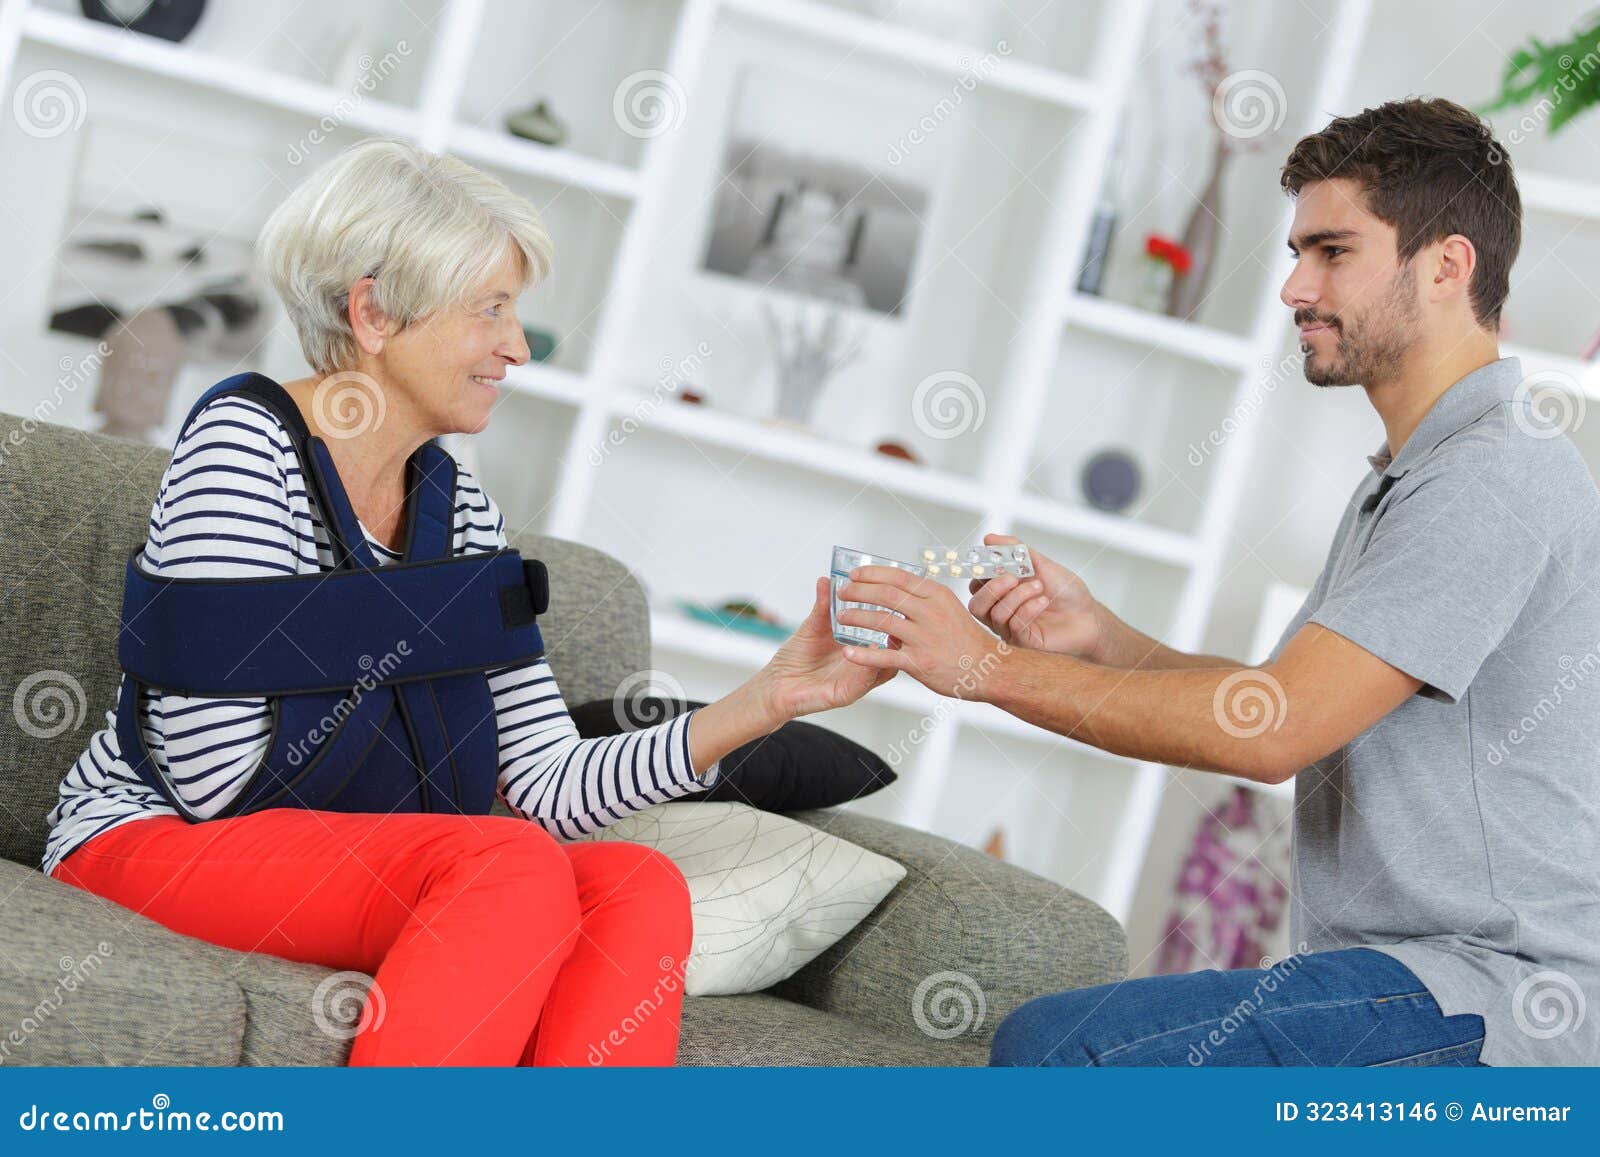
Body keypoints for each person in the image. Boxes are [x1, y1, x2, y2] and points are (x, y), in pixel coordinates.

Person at [43, 138, 895, 1067]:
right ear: (372, 311)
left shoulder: (467, 520)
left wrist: (762, 703)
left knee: (635, 882)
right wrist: (423, 749)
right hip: (149, 837)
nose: (518, 346)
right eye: (490, 308)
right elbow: (215, 783)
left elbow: (547, 788)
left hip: (347, 857)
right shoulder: (246, 447)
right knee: (506, 863)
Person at [835, 97, 1600, 1067]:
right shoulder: (1416, 475)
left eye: (1331, 252)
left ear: (1446, 266)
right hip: (1414, 981)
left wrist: (977, 667)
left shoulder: (1489, 478)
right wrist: (1102, 639)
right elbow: (1279, 705)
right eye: (1296, 252)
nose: (1291, 287)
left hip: (1490, 999)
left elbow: (1271, 732)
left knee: (1064, 1051)